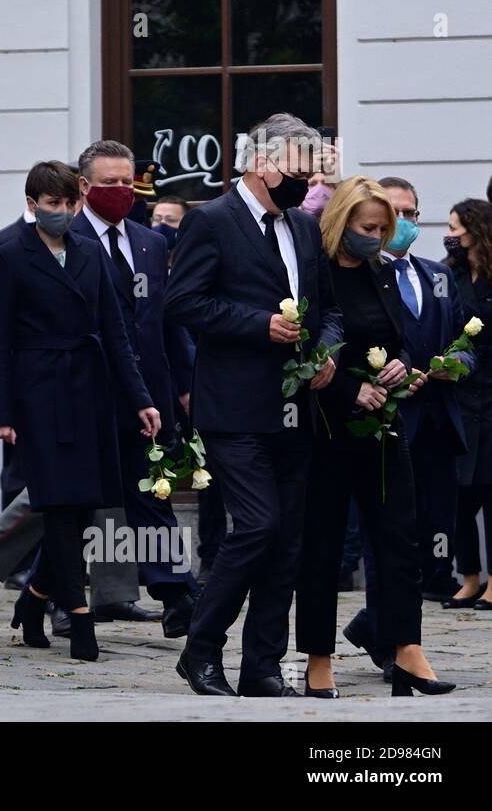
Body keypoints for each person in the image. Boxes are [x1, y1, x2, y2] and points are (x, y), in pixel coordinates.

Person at [166, 112, 343, 697]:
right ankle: (201, 648)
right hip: (234, 406)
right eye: (299, 167)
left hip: (295, 407)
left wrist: (330, 354)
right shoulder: (211, 222)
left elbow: (330, 309)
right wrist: (256, 325)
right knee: (258, 524)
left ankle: (262, 667)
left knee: (286, 537)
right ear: (262, 164)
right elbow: (184, 302)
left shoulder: (303, 226)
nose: (308, 179)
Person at [0, 165, 153, 633]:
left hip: (91, 391)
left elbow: (115, 332)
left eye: (69, 204)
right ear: (32, 204)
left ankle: (33, 597)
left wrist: (141, 398)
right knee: (59, 505)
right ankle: (77, 616)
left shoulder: (90, 252)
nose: (62, 212)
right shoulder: (9, 252)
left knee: (87, 506)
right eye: (52, 204)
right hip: (38, 394)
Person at [293, 176, 454, 698]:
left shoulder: (383, 272)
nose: (380, 236)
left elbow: (402, 339)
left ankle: (407, 649)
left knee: (398, 540)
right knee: (323, 545)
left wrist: (403, 369)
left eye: (385, 227)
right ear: (342, 222)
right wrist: (346, 389)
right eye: (370, 227)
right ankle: (319, 658)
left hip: (384, 428)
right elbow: (304, 354)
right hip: (326, 428)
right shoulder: (313, 274)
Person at [71, 140, 198, 637]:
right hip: (89, 393)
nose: (121, 191)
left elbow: (165, 322)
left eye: (127, 181)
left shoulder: (150, 242)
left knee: (151, 491)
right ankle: (31, 585)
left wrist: (183, 386)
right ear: (84, 187)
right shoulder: (68, 240)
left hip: (148, 393)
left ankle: (175, 592)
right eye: (109, 183)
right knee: (74, 502)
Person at [378, 178, 471, 608]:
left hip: (440, 421)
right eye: (394, 212)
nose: (405, 221)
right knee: (394, 531)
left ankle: (385, 622)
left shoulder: (438, 274)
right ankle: (384, 628)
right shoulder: (362, 275)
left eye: (411, 213)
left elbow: (464, 340)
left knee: (438, 525)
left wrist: (458, 366)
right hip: (389, 424)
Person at [443, 200, 492, 609]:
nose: (450, 234)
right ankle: (469, 576)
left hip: (491, 397)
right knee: (460, 492)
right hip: (460, 397)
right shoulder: (450, 275)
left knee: (491, 492)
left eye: (455, 227)